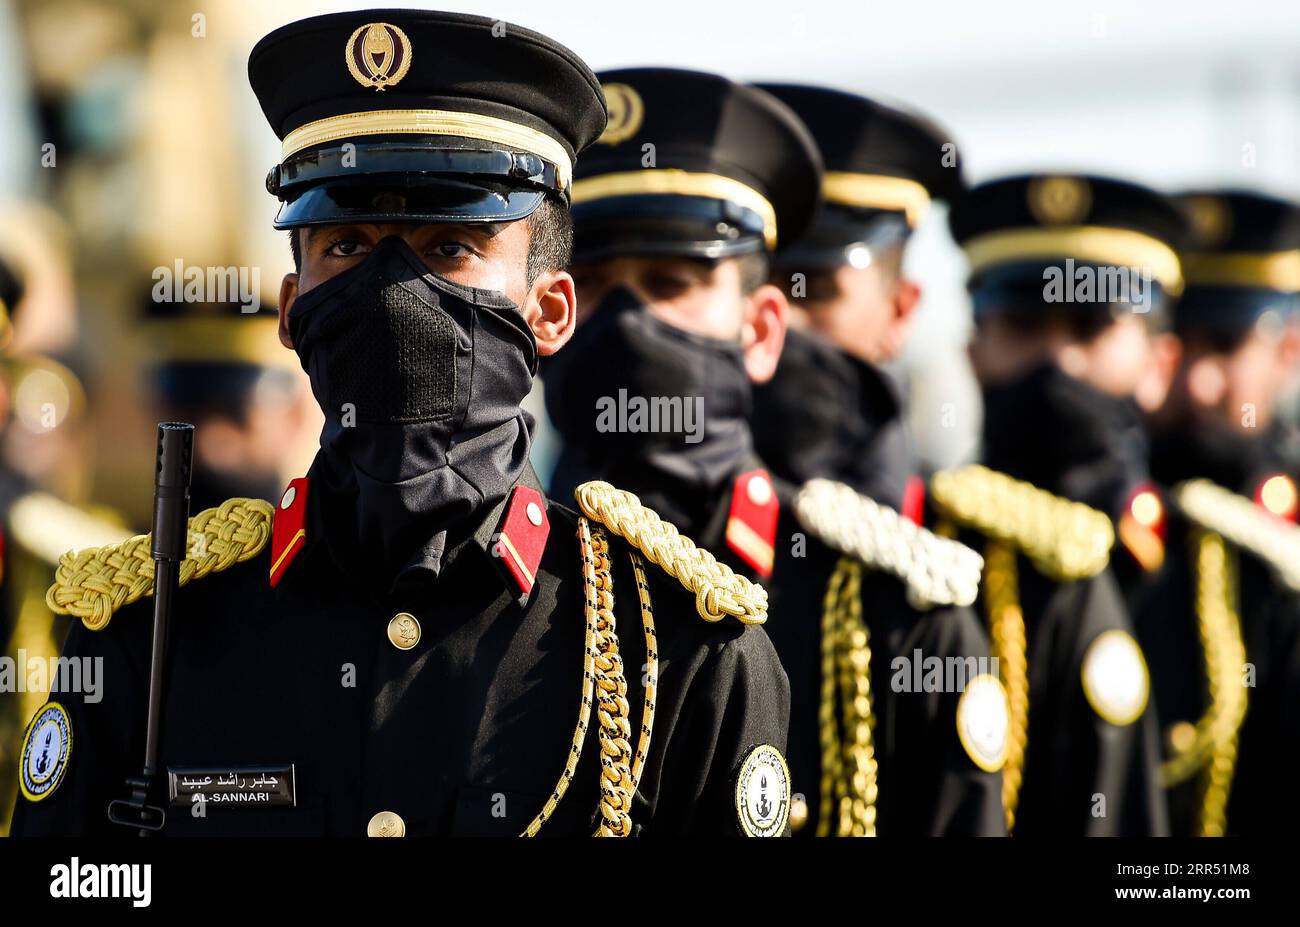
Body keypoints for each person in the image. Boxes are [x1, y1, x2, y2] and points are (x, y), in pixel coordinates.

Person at [11, 10, 791, 838]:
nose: (393, 290)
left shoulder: (679, 655)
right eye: (347, 246)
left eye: (450, 245)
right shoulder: (151, 636)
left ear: (551, 310)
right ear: (291, 308)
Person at [542, 68, 1005, 837]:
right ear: (548, 311)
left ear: (761, 330)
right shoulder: (482, 594)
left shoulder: (894, 618)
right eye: (592, 284)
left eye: (669, 280)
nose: (626, 320)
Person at [936, 173, 1174, 835]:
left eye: (1091, 326)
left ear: (1160, 362)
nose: (1058, 360)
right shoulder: (928, 568)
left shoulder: (1227, 576)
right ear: (973, 349)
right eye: (1025, 324)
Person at [1136, 189, 1300, 836]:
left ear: (1289, 348)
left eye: (1226, 345)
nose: (1197, 381)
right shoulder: (1095, 530)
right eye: (1178, 344)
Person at [749, 83, 962, 515]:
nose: (778, 321)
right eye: (752, 289)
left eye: (812, 289)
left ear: (900, 312)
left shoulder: (975, 558)